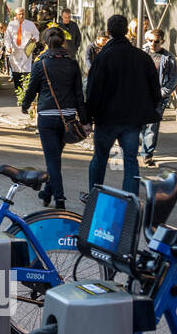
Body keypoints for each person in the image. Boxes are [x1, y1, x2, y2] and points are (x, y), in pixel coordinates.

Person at [85, 14, 161, 197]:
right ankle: (130, 199)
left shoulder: (103, 57)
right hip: (132, 118)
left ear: (109, 32)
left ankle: (95, 195)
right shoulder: (141, 57)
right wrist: (149, 110)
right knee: (130, 159)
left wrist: (88, 117)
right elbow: (154, 89)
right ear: (127, 31)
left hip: (107, 118)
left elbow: (93, 90)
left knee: (100, 157)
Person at [21, 27, 86, 209]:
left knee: (52, 160)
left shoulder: (40, 64)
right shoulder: (72, 64)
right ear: (63, 42)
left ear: (45, 42)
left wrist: (25, 106)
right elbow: (79, 94)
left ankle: (60, 199)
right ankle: (47, 193)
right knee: (55, 158)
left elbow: (31, 89)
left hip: (47, 118)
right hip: (68, 119)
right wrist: (85, 118)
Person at [140, 28, 177, 166]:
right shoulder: (142, 54)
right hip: (142, 95)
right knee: (139, 125)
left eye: (156, 41)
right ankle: (143, 145)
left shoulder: (168, 58)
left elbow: (174, 79)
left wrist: (163, 93)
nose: (152, 43)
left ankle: (147, 154)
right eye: (149, 40)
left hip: (158, 98)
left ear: (162, 41)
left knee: (152, 127)